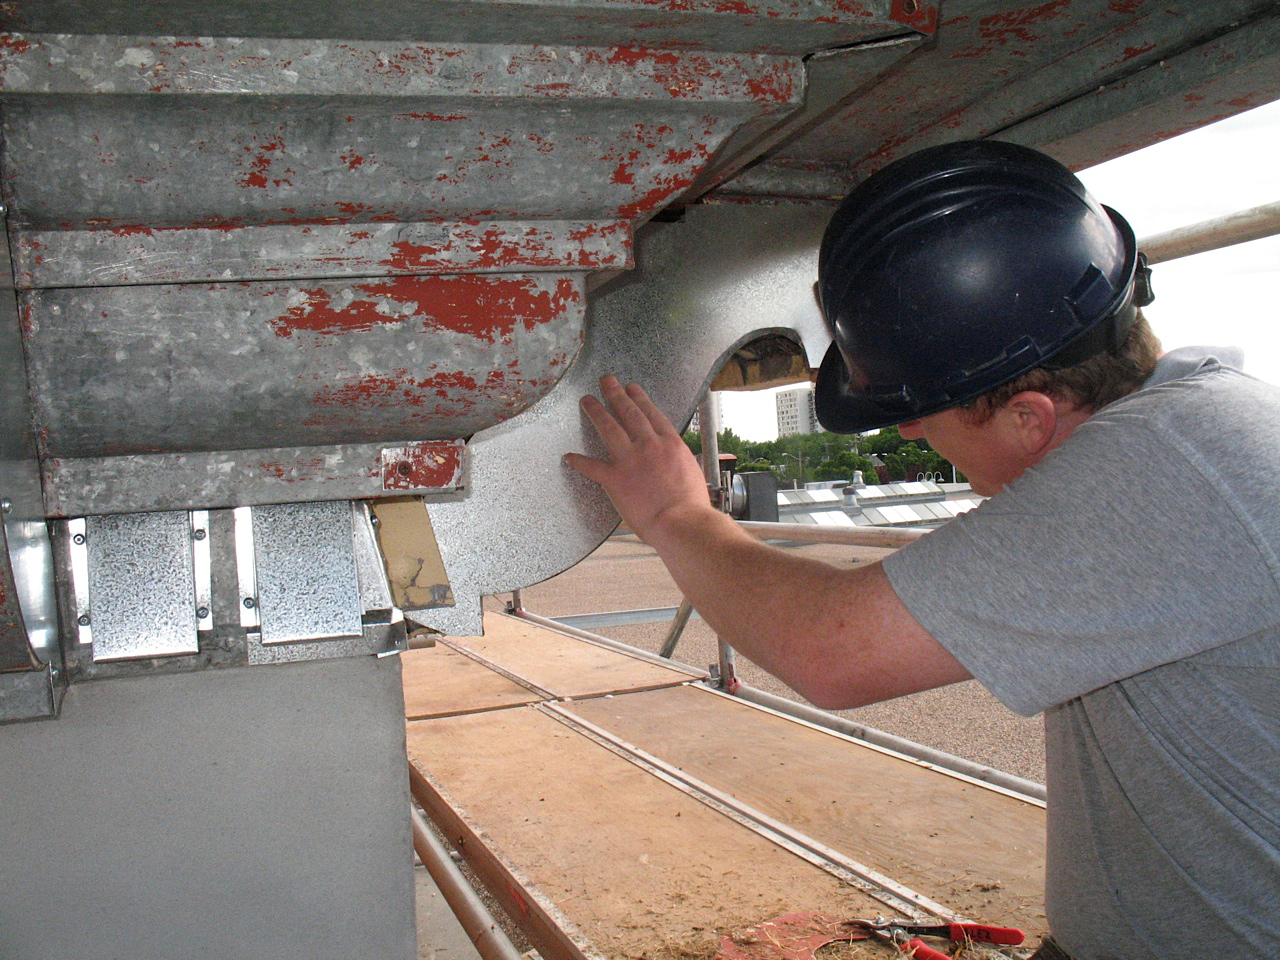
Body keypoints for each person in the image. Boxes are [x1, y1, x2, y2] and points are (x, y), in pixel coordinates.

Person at [564, 140, 1280, 960]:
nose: (906, 430)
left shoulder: (1156, 471)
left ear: (1030, 418)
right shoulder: (1201, 435)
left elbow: (831, 650)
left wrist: (673, 512)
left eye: (921, 414)